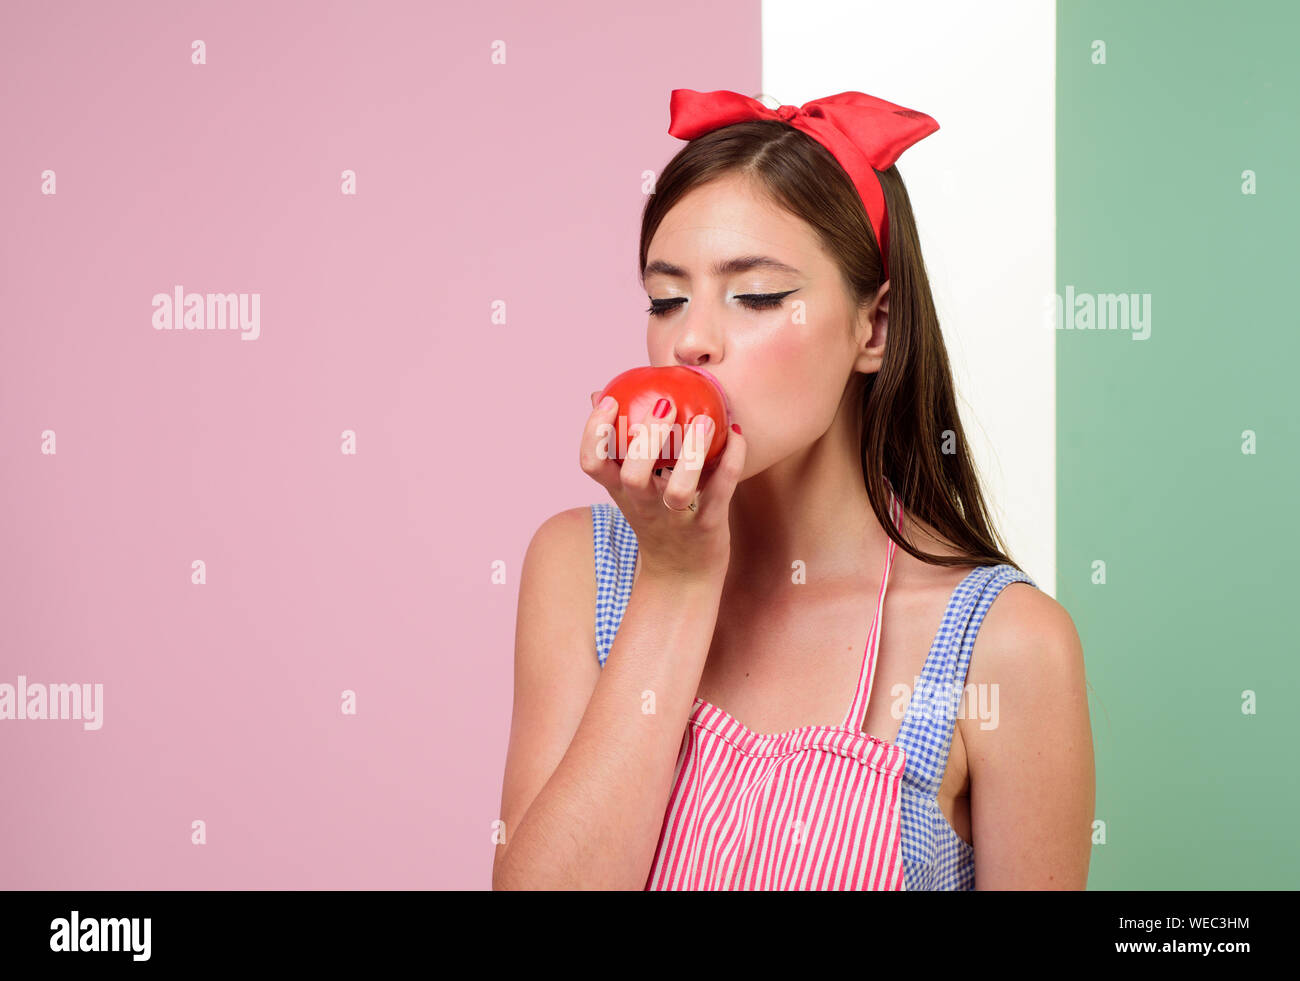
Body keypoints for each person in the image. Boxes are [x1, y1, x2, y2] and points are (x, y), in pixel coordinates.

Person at [493, 89, 1094, 890]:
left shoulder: (1009, 648)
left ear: (872, 329)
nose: (691, 339)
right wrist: (675, 582)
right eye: (667, 298)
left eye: (757, 296)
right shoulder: (578, 568)